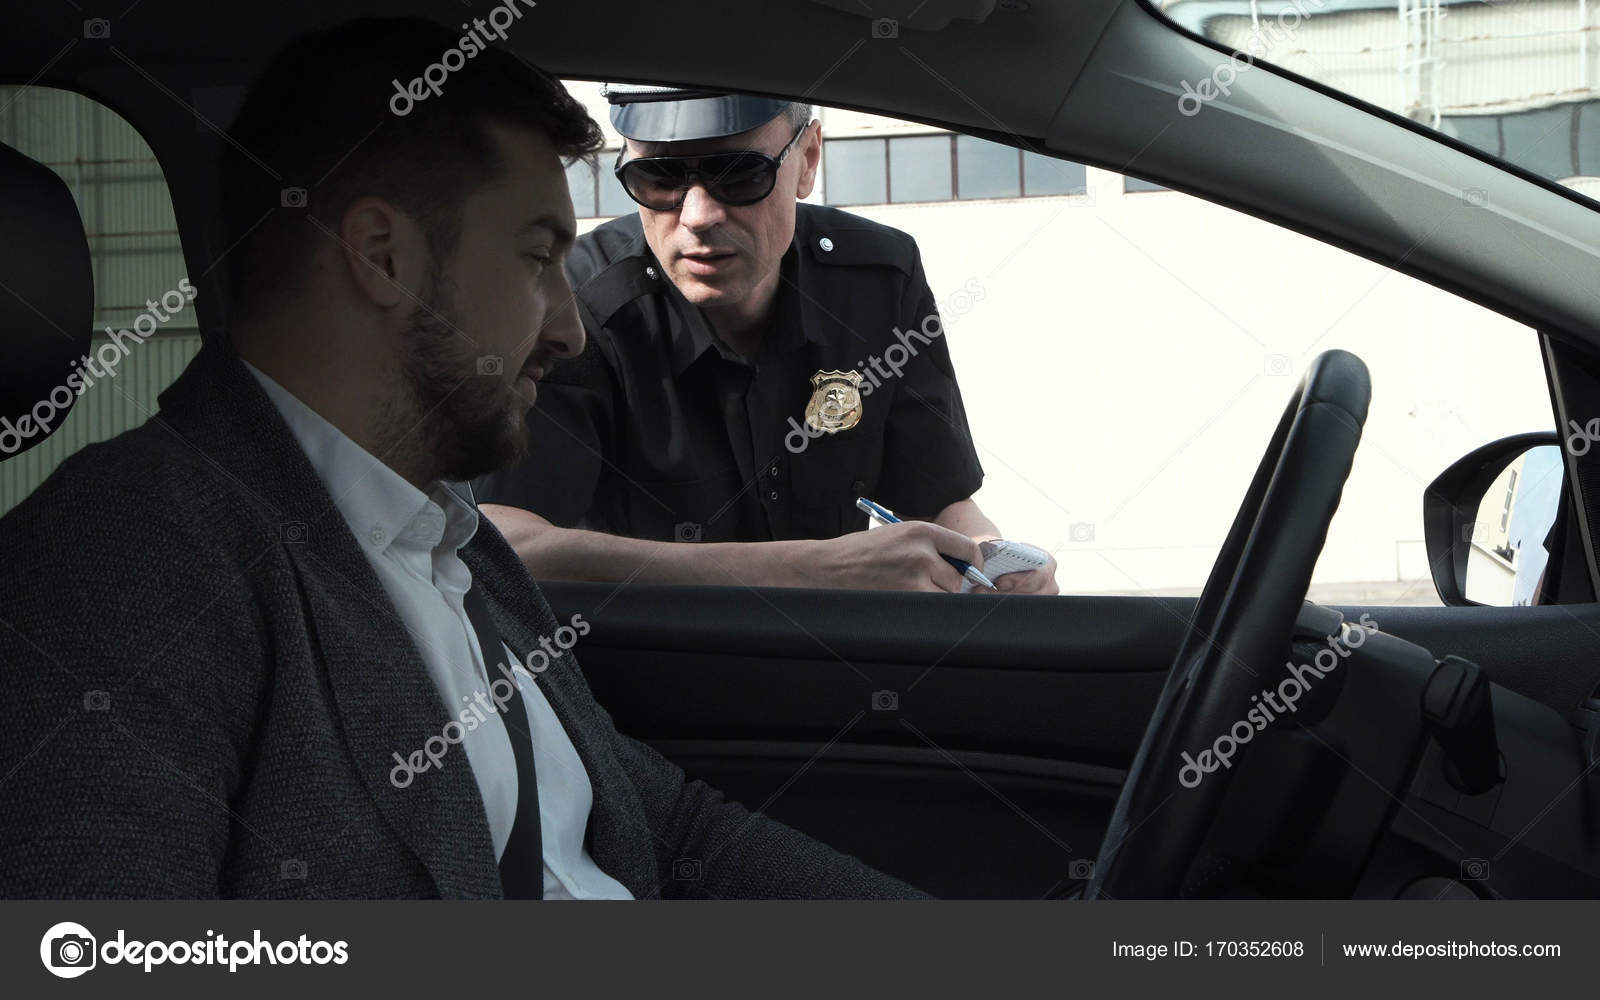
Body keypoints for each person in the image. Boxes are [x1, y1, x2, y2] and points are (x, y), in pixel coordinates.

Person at [0, 17, 921, 899]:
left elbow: (659, 825)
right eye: (536, 258)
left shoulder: (454, 542)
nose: (568, 327)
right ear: (382, 257)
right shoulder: (120, 562)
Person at [475, 86, 1059, 595]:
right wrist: (815, 570)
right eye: (659, 177)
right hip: (644, 679)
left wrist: (995, 561)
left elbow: (937, 502)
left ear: (807, 159)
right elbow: (507, 545)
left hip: (840, 663)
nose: (698, 214)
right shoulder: (577, 305)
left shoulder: (880, 281)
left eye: (737, 175)